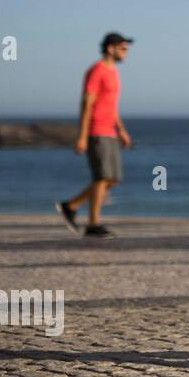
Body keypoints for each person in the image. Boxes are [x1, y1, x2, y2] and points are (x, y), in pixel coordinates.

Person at [57, 32, 133, 239]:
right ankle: (93, 224)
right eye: (123, 48)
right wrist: (82, 136)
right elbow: (87, 103)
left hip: (110, 131)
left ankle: (71, 206)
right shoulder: (96, 71)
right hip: (96, 130)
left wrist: (122, 130)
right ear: (111, 49)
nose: (127, 53)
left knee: (114, 179)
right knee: (101, 177)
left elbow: (112, 106)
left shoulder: (114, 72)